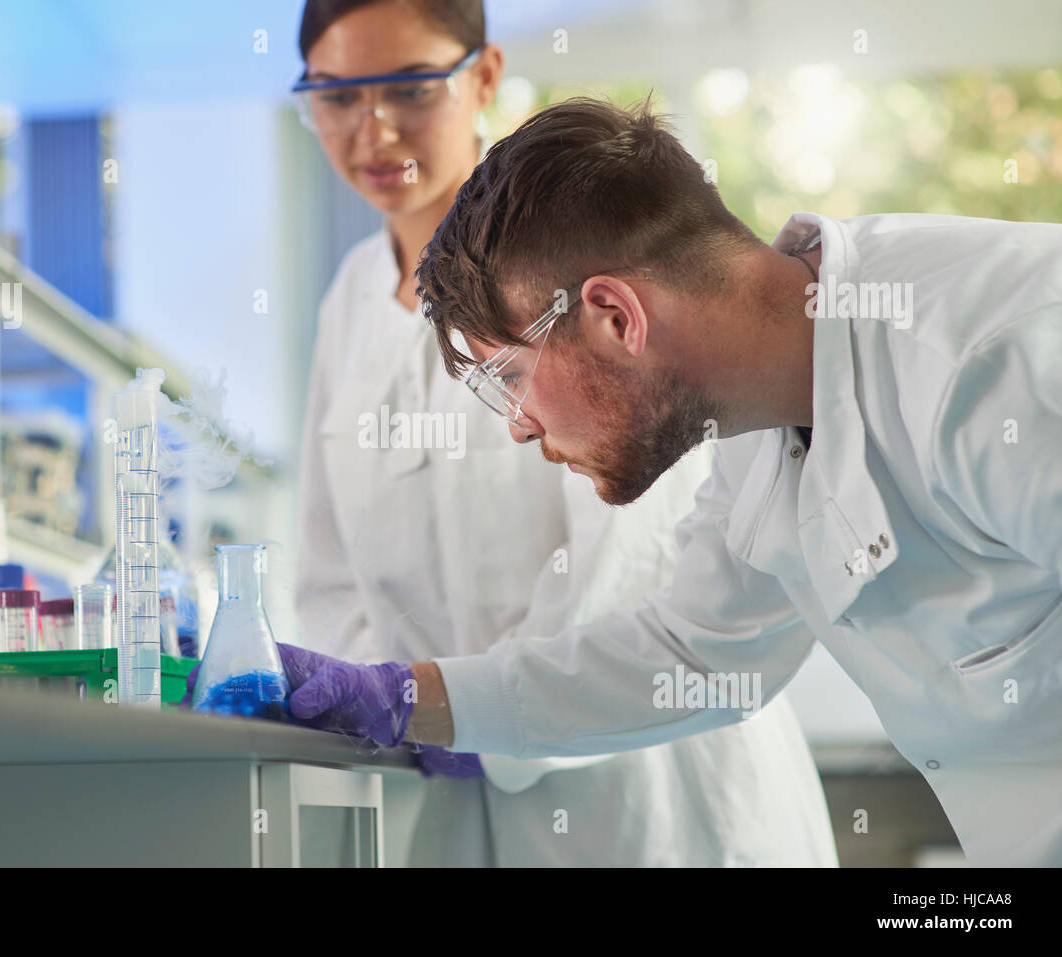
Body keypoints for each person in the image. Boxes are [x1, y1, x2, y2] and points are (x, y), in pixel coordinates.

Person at [276, 96, 1062, 867]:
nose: (516, 424)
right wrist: (411, 696)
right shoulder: (759, 425)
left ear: (616, 315)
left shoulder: (992, 365)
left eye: (510, 375)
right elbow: (693, 655)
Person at [285, 0, 836, 865]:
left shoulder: (570, 255)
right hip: (448, 788)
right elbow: (329, 570)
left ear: (486, 78)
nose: (374, 129)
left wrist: (472, 719)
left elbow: (635, 566)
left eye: (409, 90)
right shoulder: (347, 302)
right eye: (338, 96)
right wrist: (390, 704)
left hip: (652, 786)